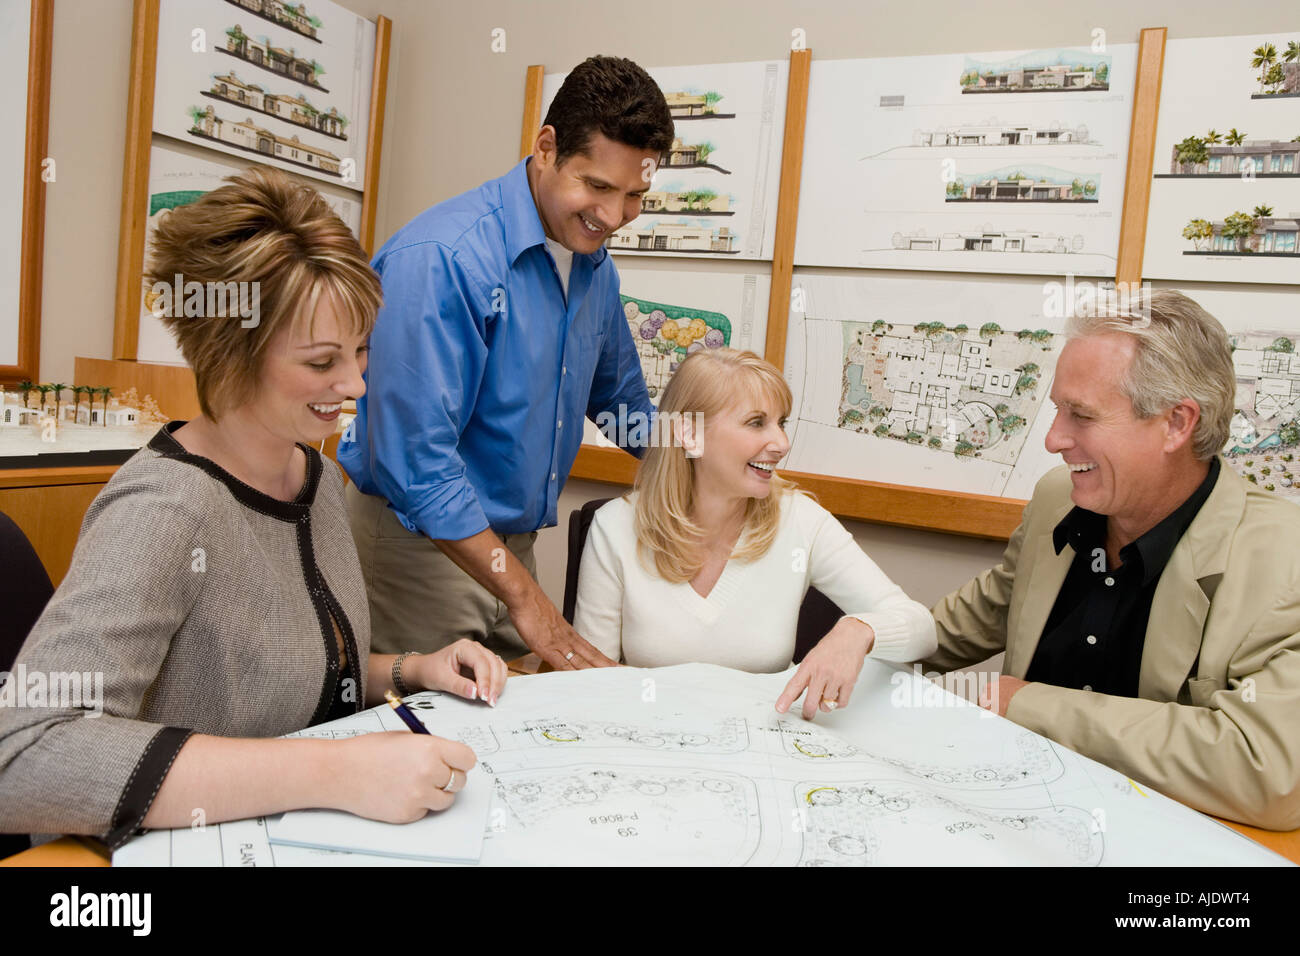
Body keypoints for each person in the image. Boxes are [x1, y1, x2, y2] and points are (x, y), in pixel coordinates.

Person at [0, 168, 507, 850]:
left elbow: (291, 675)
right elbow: (23, 756)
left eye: (360, 351)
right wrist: (335, 772)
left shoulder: (320, 480)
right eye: (322, 360)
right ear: (231, 352)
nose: (355, 383)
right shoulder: (164, 509)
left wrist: (410, 669)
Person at [339, 55, 675, 670]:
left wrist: (705, 447)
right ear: (546, 147)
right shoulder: (443, 257)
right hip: (420, 551)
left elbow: (621, 407)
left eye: (634, 197)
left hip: (511, 548)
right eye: (597, 187)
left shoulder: (593, 264)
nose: (612, 216)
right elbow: (416, 464)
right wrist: (527, 598)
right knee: (414, 737)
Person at [926, 290, 1300, 830]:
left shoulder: (1283, 561)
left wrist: (1023, 704)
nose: (1055, 439)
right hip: (1008, 819)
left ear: (1177, 423)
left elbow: (1267, 772)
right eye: (1058, 409)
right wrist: (871, 636)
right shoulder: (1060, 496)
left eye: (1081, 415)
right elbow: (977, 616)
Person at [573, 349, 936, 719]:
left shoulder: (802, 520)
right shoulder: (614, 526)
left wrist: (858, 629)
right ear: (688, 432)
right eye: (756, 423)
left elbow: (922, 627)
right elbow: (587, 680)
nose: (781, 443)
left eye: (781, 422)